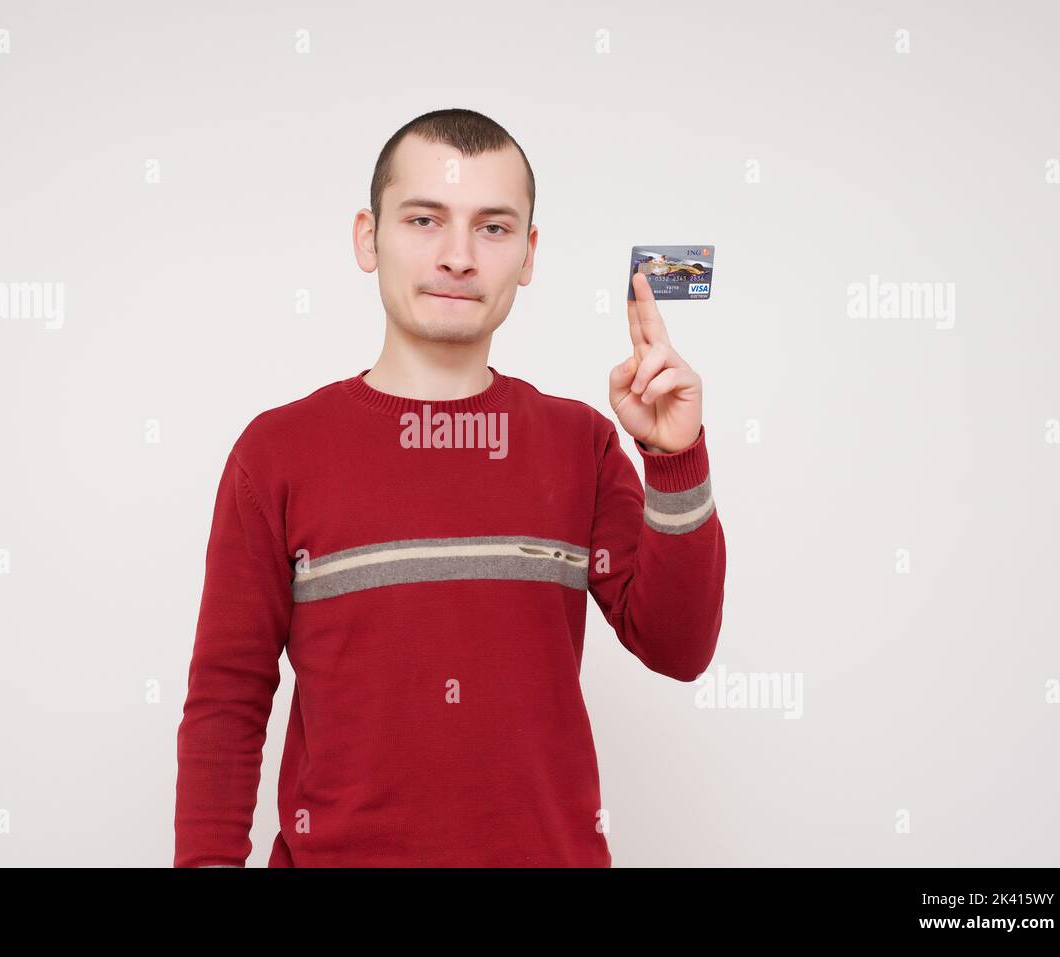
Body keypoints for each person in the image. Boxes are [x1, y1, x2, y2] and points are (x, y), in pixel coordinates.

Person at [173, 108, 726, 867]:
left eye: (493, 228)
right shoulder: (275, 453)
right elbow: (226, 699)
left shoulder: (581, 444)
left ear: (528, 255)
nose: (458, 256)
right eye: (425, 219)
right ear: (368, 237)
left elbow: (679, 646)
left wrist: (675, 458)